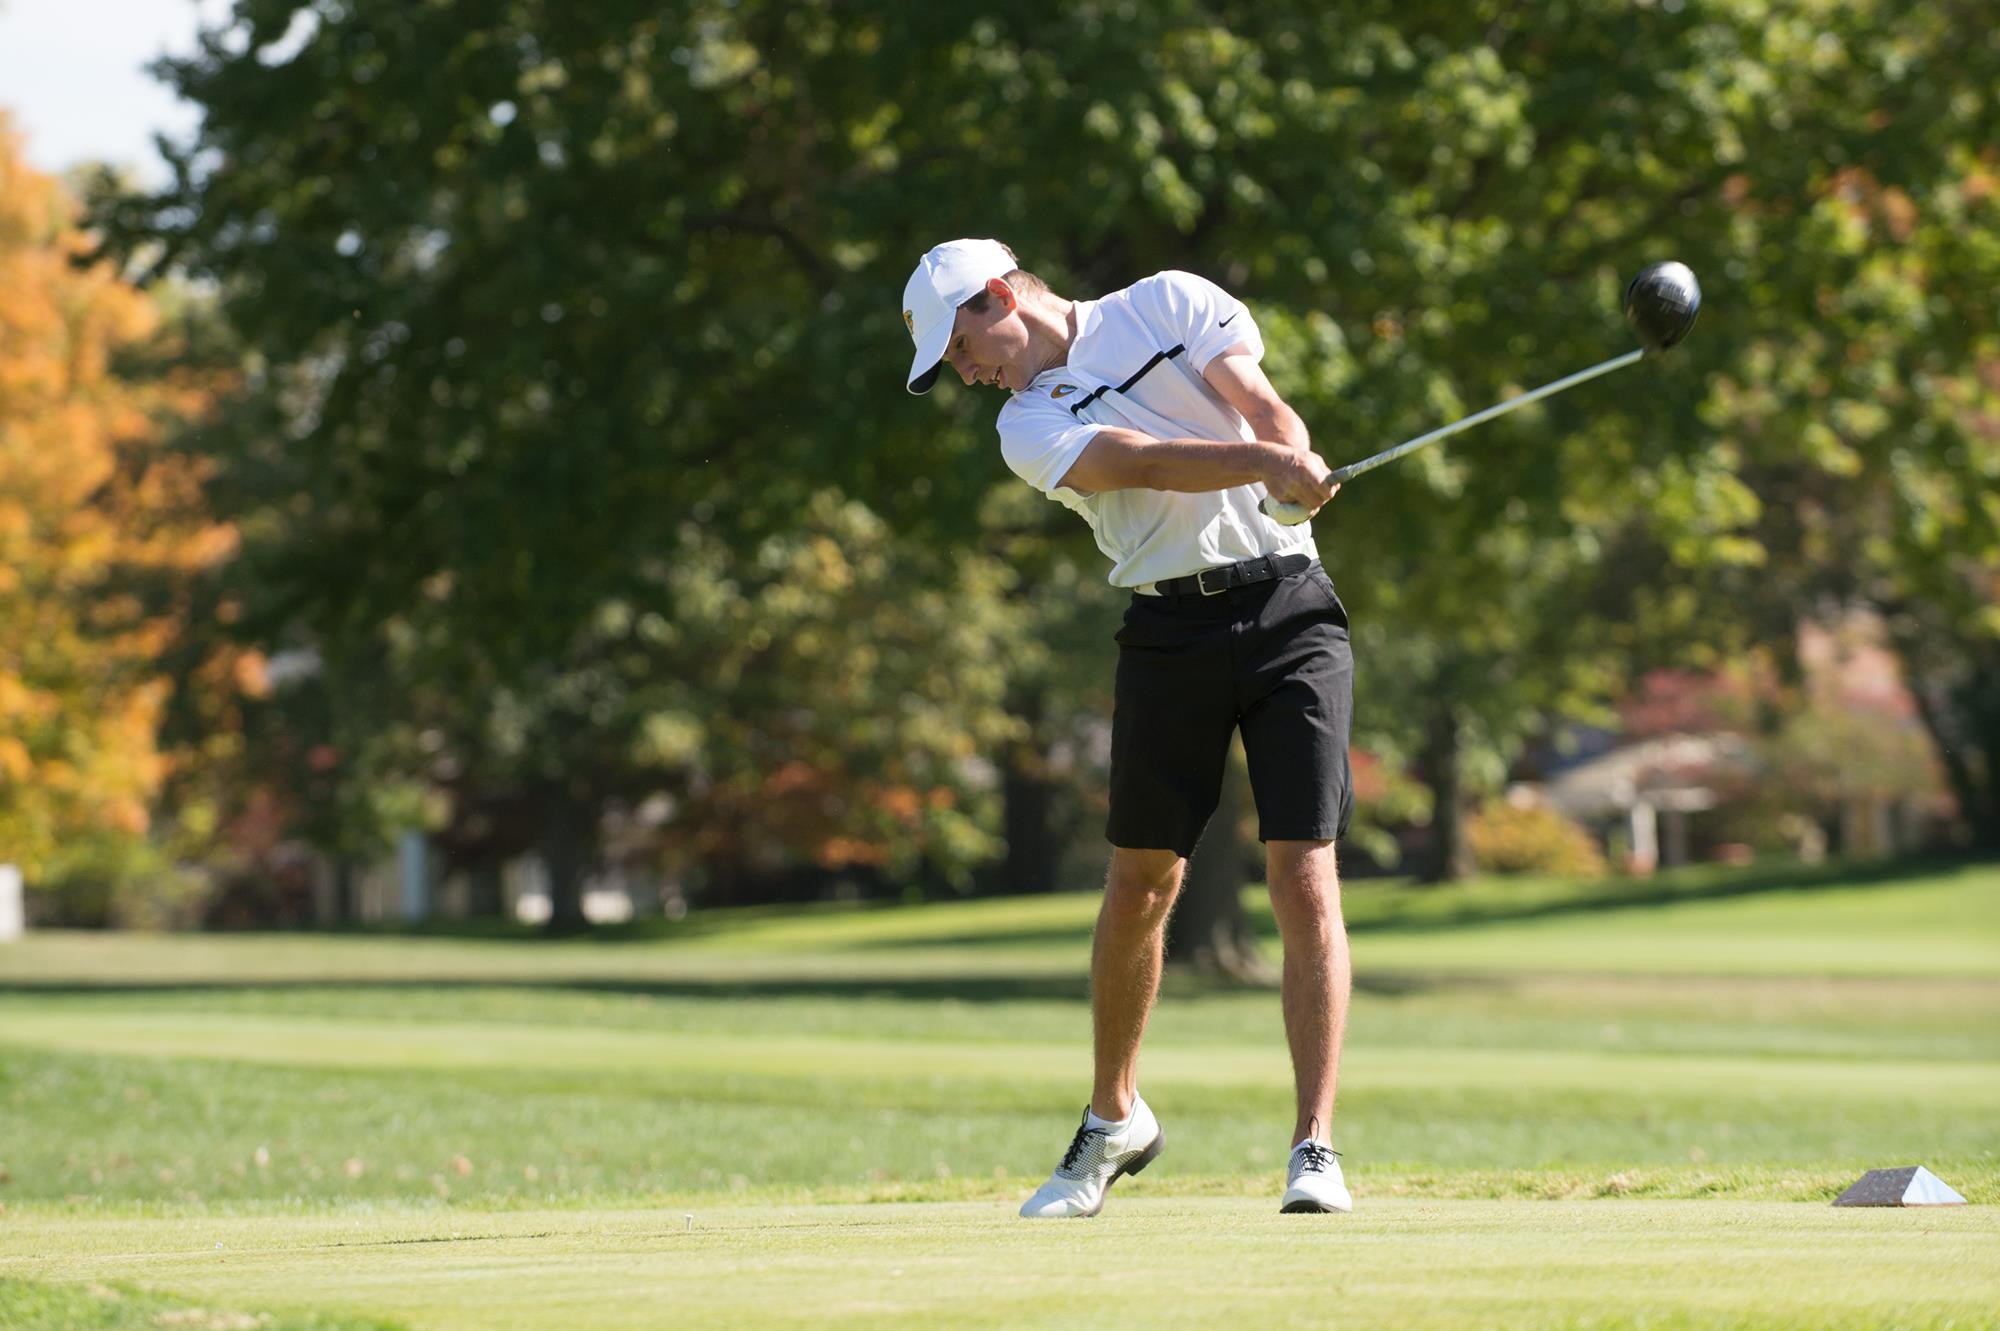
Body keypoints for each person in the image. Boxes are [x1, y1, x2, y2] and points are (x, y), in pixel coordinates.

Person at [900, 239, 1356, 1217]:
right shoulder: (1025, 423)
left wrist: (1290, 454)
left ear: (995, 297)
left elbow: (1257, 396)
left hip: (1289, 610)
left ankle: (1312, 1146)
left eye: (957, 345)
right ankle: (1114, 1118)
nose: (962, 371)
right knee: (1142, 877)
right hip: (1167, 628)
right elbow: (1141, 461)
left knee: (1300, 864)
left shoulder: (1169, 302)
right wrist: (1265, 461)